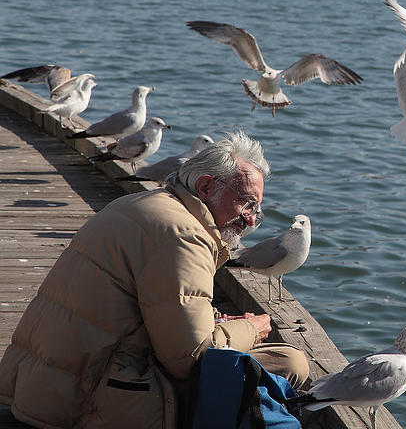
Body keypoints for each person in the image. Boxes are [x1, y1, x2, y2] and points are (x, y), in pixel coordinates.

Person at [0, 131, 309, 428]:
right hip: (91, 402)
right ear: (205, 186)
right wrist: (251, 329)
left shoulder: (140, 206)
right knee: (289, 362)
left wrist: (213, 322)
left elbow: (131, 311)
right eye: (247, 203)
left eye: (257, 209)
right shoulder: (184, 236)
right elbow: (188, 357)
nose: (252, 219)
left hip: (43, 387)